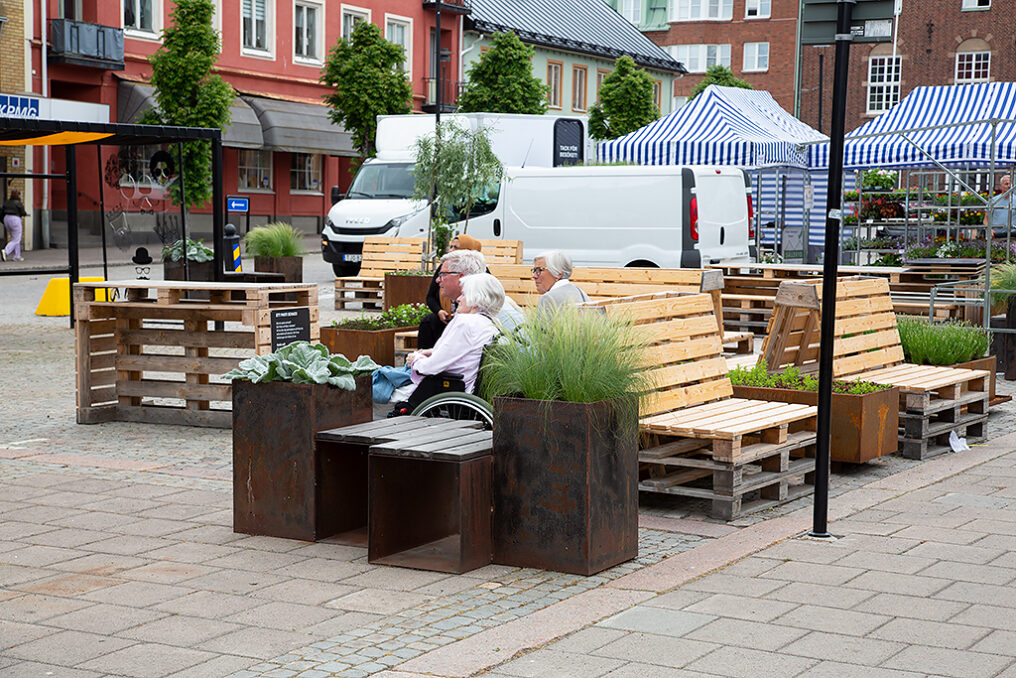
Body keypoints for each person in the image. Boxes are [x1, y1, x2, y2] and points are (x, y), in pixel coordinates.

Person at [394, 272, 506, 411]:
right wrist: (432, 352)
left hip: (454, 392)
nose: (458, 299)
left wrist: (416, 359)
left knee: (382, 383)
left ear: (476, 300)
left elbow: (430, 367)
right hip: (472, 391)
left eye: (464, 294)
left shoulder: (465, 322)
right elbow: (466, 354)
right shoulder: (493, 323)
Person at [418, 234, 483, 349]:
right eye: (451, 247)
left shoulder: (480, 271)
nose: (451, 250)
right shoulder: (445, 267)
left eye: (456, 248)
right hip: (446, 317)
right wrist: (439, 311)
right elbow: (430, 297)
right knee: (428, 322)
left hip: (467, 319)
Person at [2, 189, 28, 262]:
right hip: (15, 219)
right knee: (17, 239)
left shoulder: (7, 202)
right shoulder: (18, 203)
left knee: (14, 238)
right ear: (18, 195)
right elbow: (23, 212)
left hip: (6, 219)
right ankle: (6, 251)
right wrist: (25, 214)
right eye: (19, 194)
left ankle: (17, 256)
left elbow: (2, 211)